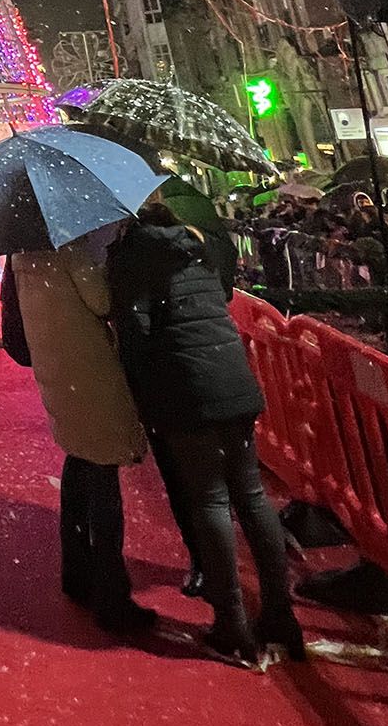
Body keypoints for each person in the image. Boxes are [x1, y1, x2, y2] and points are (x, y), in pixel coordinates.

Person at [109, 202, 304, 664]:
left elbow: (137, 337)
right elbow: (218, 300)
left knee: (210, 500)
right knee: (253, 497)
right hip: (233, 379)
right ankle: (280, 614)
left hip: (186, 391)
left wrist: (141, 398)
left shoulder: (131, 261)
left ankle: (232, 623)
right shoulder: (197, 248)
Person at [9, 232, 151, 634]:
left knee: (80, 459)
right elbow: (103, 300)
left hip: (58, 369)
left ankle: (77, 572)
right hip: (88, 369)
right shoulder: (66, 252)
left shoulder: (21, 254)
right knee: (104, 468)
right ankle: (112, 595)